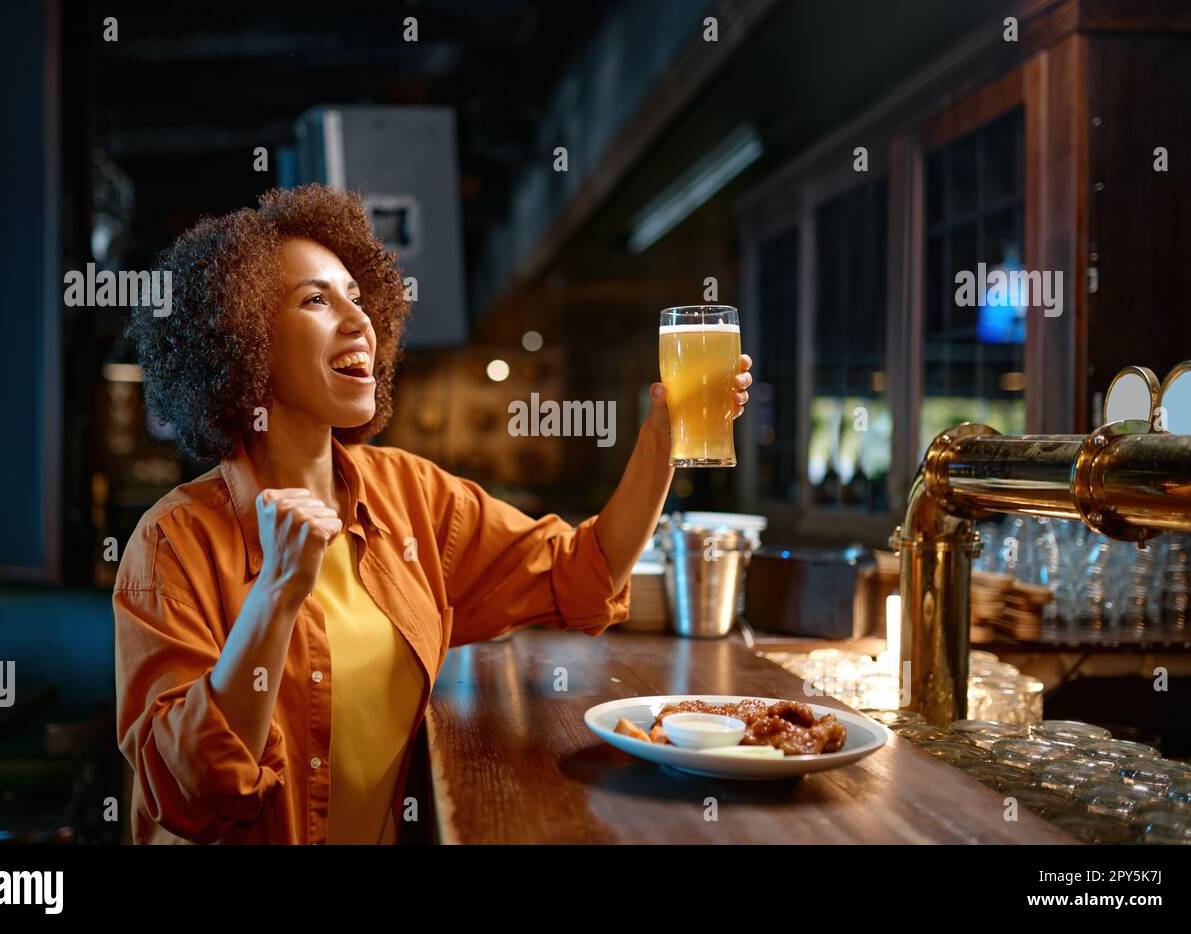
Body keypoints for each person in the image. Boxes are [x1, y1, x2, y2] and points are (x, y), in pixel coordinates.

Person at [113, 184, 752, 843]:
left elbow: (583, 571)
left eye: (358, 300)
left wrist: (661, 442)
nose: (357, 320)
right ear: (242, 339)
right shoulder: (171, 543)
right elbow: (193, 794)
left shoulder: (409, 495)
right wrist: (274, 596)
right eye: (315, 300)